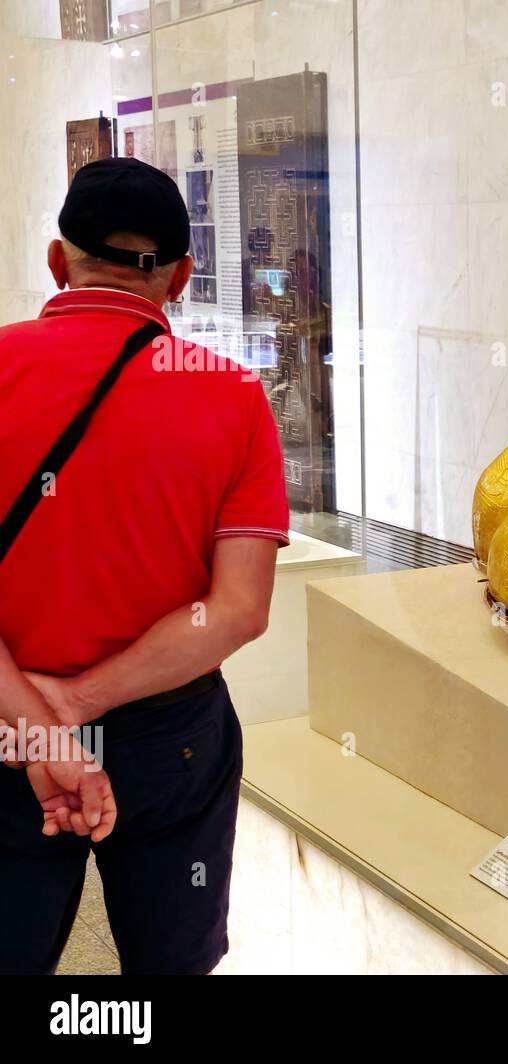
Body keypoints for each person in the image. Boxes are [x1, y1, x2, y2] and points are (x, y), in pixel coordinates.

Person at [0, 158, 289, 975]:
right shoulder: (232, 395)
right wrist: (79, 705)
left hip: (5, 726)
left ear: (59, 261)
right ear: (181, 276)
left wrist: (36, 723)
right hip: (170, 740)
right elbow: (238, 611)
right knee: (172, 963)